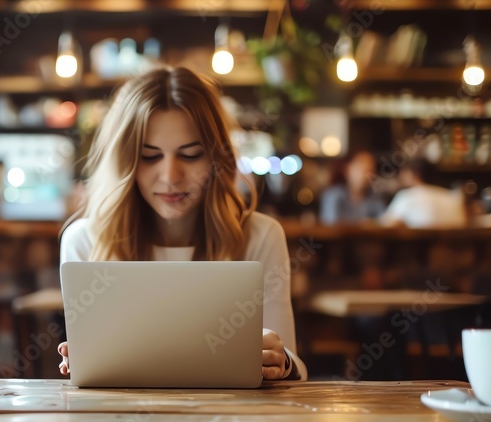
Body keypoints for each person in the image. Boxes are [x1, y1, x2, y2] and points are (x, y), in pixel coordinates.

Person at [56, 67, 305, 381]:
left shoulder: (261, 236)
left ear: (218, 159)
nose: (171, 177)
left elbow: (288, 358)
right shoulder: (84, 240)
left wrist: (282, 362)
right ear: (125, 162)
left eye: (190, 155)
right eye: (149, 156)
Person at [380, 159, 467, 228]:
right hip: (457, 248)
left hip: (422, 248)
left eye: (405, 172)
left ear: (416, 174)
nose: (401, 175)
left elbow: (386, 225)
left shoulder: (407, 196)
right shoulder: (452, 196)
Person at [319, 150, 386, 224]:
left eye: (370, 170)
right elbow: (330, 226)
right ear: (347, 169)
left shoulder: (374, 197)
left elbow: (384, 223)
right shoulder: (334, 195)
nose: (366, 175)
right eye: (361, 169)